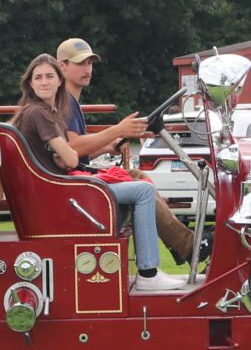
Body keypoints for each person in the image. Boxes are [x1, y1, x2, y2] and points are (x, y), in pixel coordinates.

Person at [51, 38, 199, 272]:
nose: (87, 69)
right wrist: (118, 130)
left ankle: (184, 243)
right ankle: (176, 253)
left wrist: (107, 146)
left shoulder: (72, 103)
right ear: (62, 66)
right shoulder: (64, 103)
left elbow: (77, 149)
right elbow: (73, 148)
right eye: (80, 63)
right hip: (73, 186)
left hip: (77, 178)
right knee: (142, 188)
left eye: (90, 62)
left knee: (137, 174)